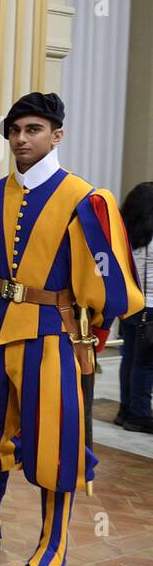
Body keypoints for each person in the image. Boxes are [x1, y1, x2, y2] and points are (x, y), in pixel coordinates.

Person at [0, 92, 144, 566]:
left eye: (33, 130)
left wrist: (88, 333)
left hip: (54, 334)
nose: (22, 140)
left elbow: (110, 287)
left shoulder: (87, 200)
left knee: (54, 441)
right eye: (15, 131)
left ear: (56, 135)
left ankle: (53, 544)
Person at [116, 181, 153, 432]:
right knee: (146, 363)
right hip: (151, 306)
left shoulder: (124, 233)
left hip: (130, 304)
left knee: (129, 358)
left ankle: (125, 409)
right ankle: (139, 414)